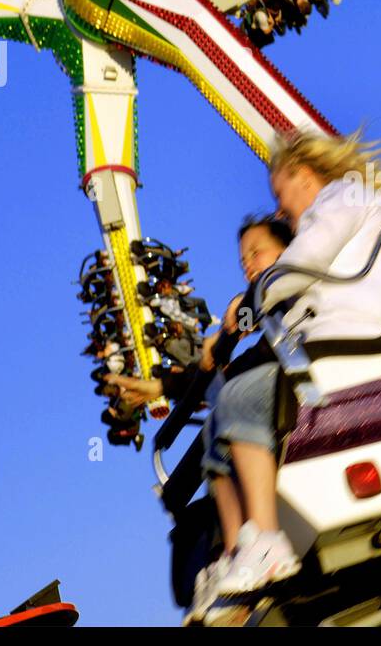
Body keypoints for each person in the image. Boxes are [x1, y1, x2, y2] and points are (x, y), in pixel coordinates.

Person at [204, 131, 381, 601]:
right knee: (225, 420)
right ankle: (242, 549)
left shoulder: (340, 198)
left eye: (279, 194)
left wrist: (249, 300)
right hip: (343, 333)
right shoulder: (346, 206)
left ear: (304, 175)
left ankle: (268, 541)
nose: (278, 209)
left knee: (238, 398)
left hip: (350, 340)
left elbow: (302, 262)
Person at [106, 215, 292, 620]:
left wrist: (240, 313)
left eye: (256, 252)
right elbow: (238, 340)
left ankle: (251, 546)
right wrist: (163, 388)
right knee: (214, 443)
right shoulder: (271, 300)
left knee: (226, 416)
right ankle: (232, 555)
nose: (248, 263)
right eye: (243, 258)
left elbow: (245, 322)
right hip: (268, 383)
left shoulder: (291, 277)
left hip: (294, 386)